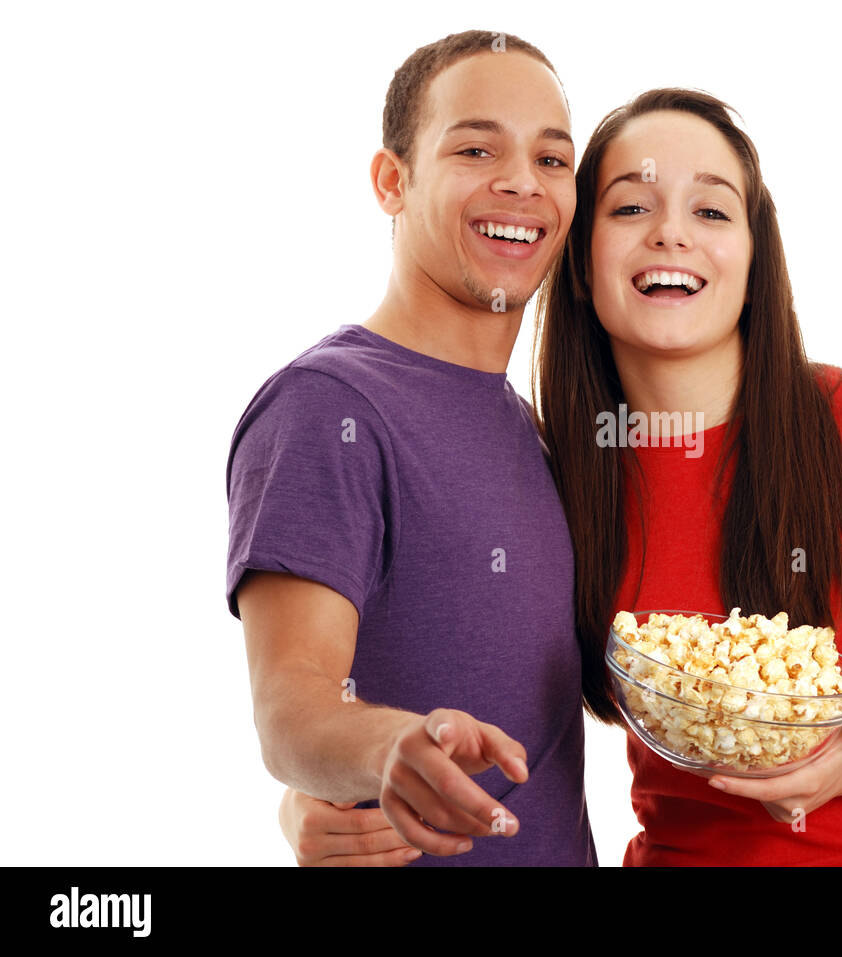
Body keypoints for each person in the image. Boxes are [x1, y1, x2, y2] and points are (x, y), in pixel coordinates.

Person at [284, 87, 842, 866]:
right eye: (631, 208)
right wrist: (315, 796)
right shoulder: (554, 474)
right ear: (580, 260)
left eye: (711, 210)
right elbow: (446, 671)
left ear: (753, 253)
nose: (672, 234)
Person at [226, 31, 597, 866]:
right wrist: (387, 745)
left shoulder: (532, 428)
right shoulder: (326, 405)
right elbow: (289, 702)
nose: (520, 183)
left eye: (553, 158)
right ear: (392, 181)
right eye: (475, 148)